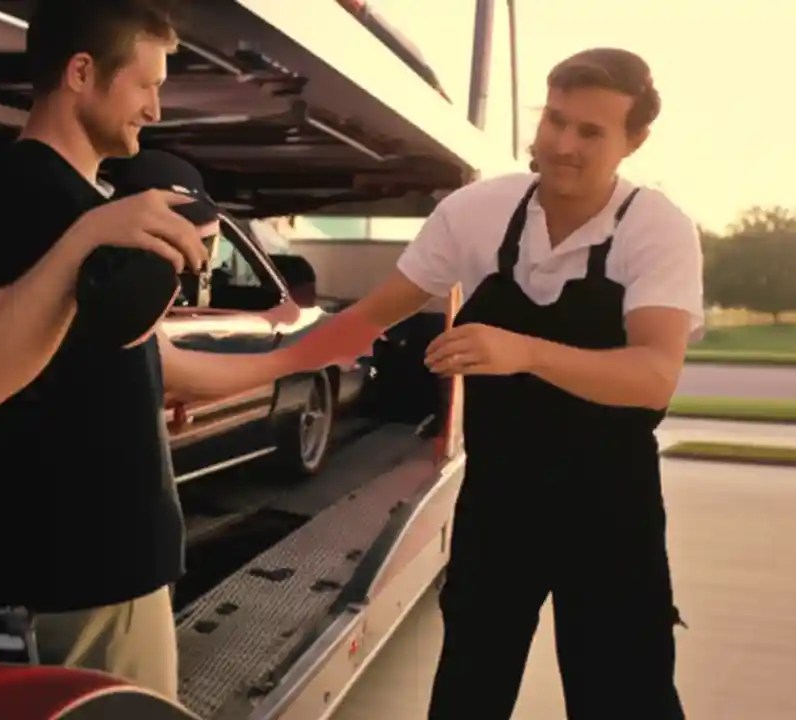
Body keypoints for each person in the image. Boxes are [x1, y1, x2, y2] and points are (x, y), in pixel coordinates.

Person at [287, 48, 702, 717]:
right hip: (500, 501)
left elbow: (654, 376)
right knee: (469, 693)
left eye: (590, 132)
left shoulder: (655, 228)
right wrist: (254, 369)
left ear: (634, 141)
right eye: (554, 120)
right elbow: (369, 317)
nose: (562, 144)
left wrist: (524, 352)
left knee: (624, 695)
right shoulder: (478, 212)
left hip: (609, 510)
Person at [0, 0, 301, 701]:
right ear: (81, 73)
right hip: (79, 580)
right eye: (146, 85)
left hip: (102, 575)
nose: (155, 110)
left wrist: (290, 359)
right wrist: (87, 238)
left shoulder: (81, 201)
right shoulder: (19, 194)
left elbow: (106, 357)